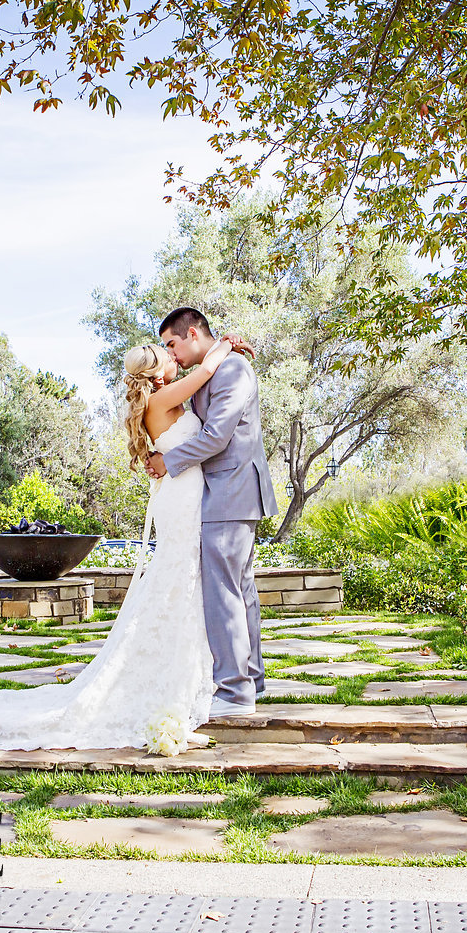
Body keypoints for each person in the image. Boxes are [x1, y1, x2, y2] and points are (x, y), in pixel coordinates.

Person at [0, 332, 242, 753]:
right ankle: (171, 677)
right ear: (156, 372)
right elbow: (209, 368)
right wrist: (226, 343)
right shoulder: (163, 399)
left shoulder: (163, 398)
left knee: (182, 580)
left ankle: (186, 670)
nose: (174, 356)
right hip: (181, 498)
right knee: (179, 579)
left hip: (185, 493)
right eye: (166, 354)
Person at [147, 307, 278, 718]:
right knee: (240, 589)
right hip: (225, 492)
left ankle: (235, 694)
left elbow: (217, 435)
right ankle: (251, 682)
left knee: (224, 592)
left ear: (191, 333)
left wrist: (169, 461)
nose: (171, 353)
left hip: (232, 490)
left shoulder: (233, 370)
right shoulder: (213, 367)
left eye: (172, 344)